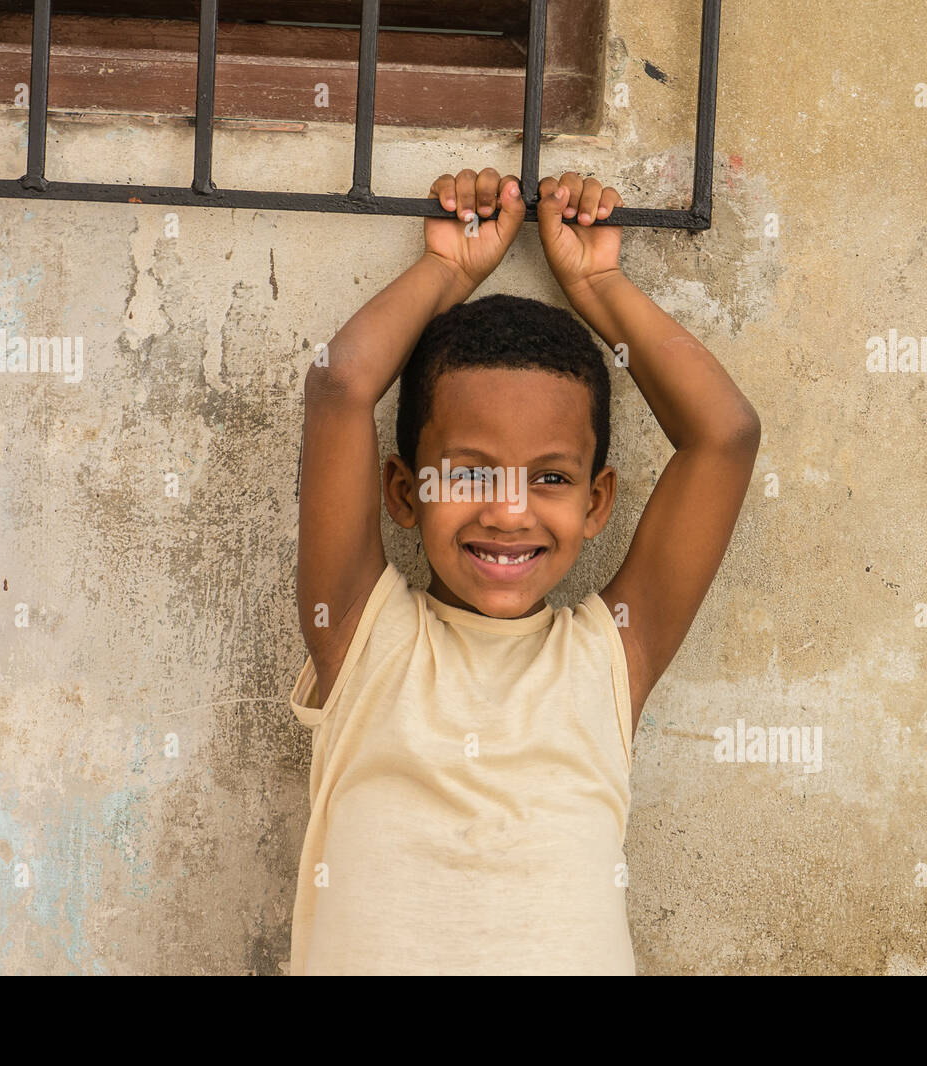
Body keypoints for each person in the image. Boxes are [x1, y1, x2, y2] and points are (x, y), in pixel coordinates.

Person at [289, 167, 761, 974]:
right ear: (405, 492)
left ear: (597, 501)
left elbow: (725, 435)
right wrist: (446, 270)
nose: (509, 512)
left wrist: (601, 284)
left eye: (550, 477)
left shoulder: (611, 654)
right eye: (469, 473)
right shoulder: (366, 643)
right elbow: (341, 386)